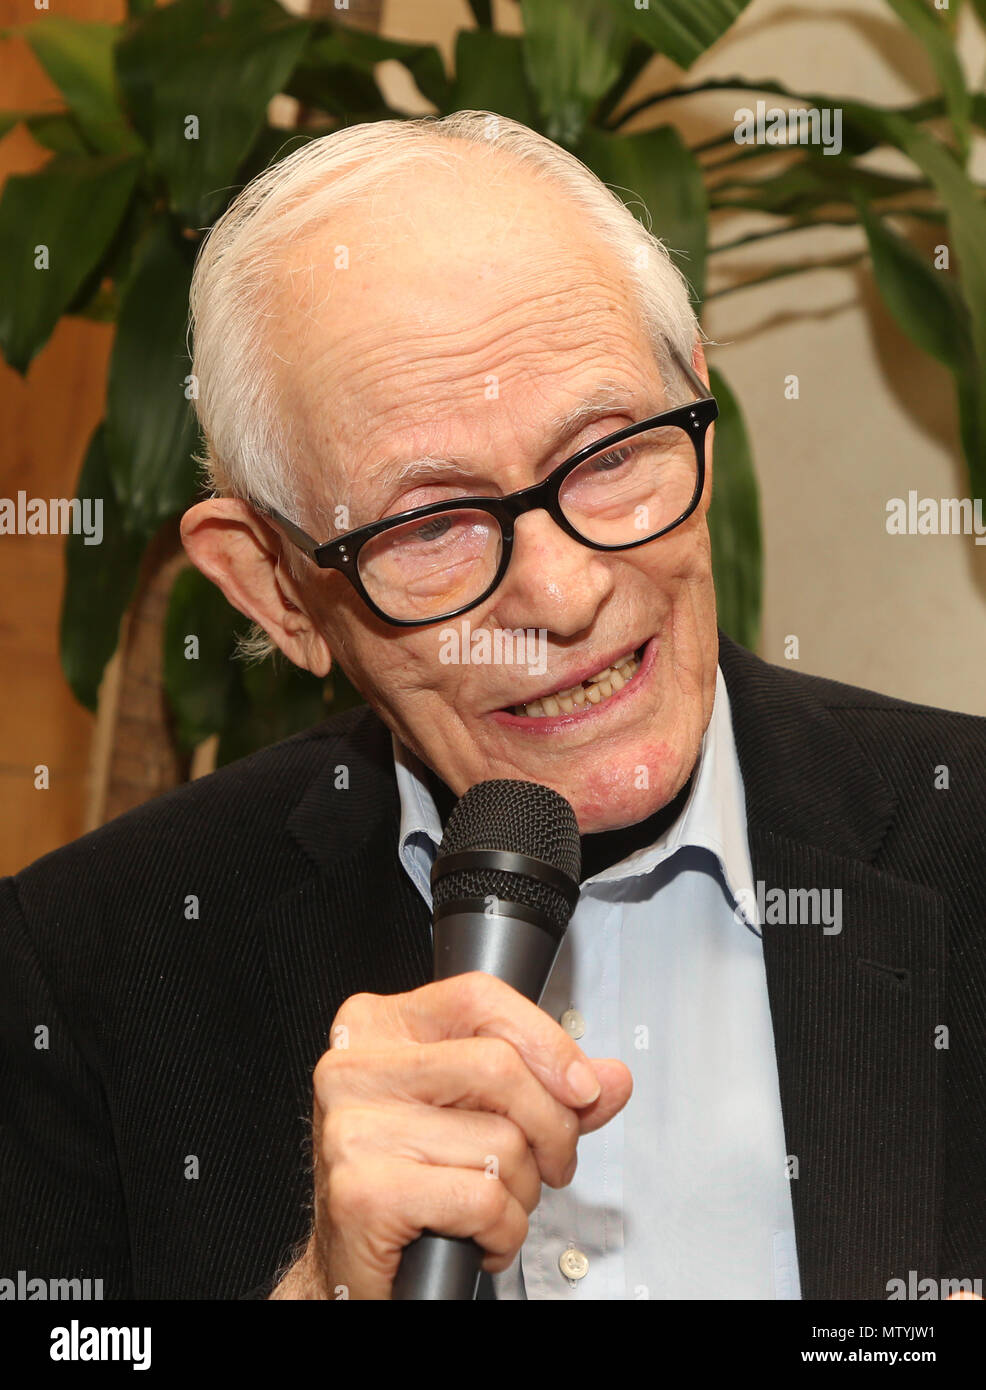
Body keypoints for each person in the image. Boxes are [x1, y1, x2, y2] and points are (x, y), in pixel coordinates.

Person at [1, 112, 983, 1302]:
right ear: (275, 587)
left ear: (702, 416)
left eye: (611, 453)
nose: (566, 594)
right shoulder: (82, 970)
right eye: (428, 524)